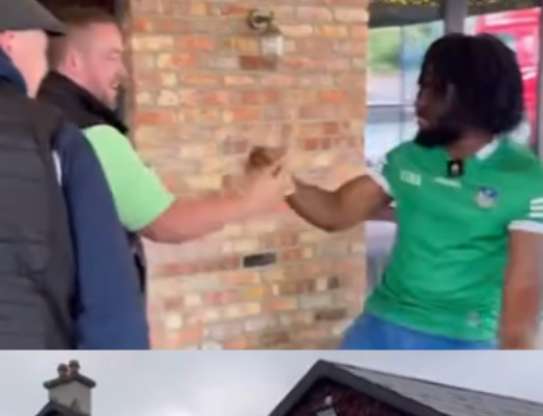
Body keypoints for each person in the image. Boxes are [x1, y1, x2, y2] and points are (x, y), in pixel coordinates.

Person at [251, 34, 543, 350]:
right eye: (421, 87)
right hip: (380, 325)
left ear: (472, 97)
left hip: (461, 340)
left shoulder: (527, 180)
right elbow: (335, 212)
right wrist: (281, 178)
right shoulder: (410, 157)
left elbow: (521, 307)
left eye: (433, 90)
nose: (419, 102)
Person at [0, 0, 150, 350]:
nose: (43, 73)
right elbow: (110, 308)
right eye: (42, 53)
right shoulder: (53, 135)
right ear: (8, 43)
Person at [39, 7, 288, 290]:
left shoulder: (34, 114)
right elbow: (166, 222)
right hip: (84, 307)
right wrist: (249, 202)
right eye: (112, 57)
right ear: (74, 62)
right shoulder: (92, 134)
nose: (122, 71)